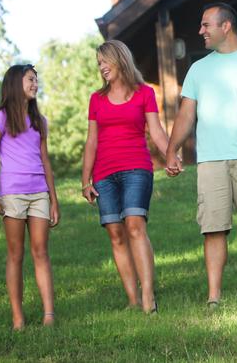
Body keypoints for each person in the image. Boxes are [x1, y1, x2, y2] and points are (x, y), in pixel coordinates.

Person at [165, 2, 237, 307]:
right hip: (210, 160)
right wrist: (172, 149)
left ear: (225, 26)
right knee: (213, 227)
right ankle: (214, 295)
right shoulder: (198, 69)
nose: (201, 31)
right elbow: (186, 114)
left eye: (206, 25)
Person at [82, 40, 170, 314]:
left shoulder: (144, 93)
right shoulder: (96, 99)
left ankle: (148, 297)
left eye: (104, 61)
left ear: (119, 59)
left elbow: (155, 131)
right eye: (98, 64)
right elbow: (91, 141)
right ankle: (132, 300)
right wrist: (86, 179)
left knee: (135, 226)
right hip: (104, 174)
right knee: (116, 235)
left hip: (136, 168)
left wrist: (171, 155)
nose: (101, 68)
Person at [0, 64, 59, 330]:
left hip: (39, 194)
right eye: (30, 80)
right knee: (15, 254)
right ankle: (18, 318)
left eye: (36, 80)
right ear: (16, 84)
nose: (35, 84)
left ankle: (49, 315)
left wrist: (54, 200)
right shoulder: (2, 117)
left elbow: (45, 161)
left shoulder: (40, 121)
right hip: (12, 193)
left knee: (41, 252)